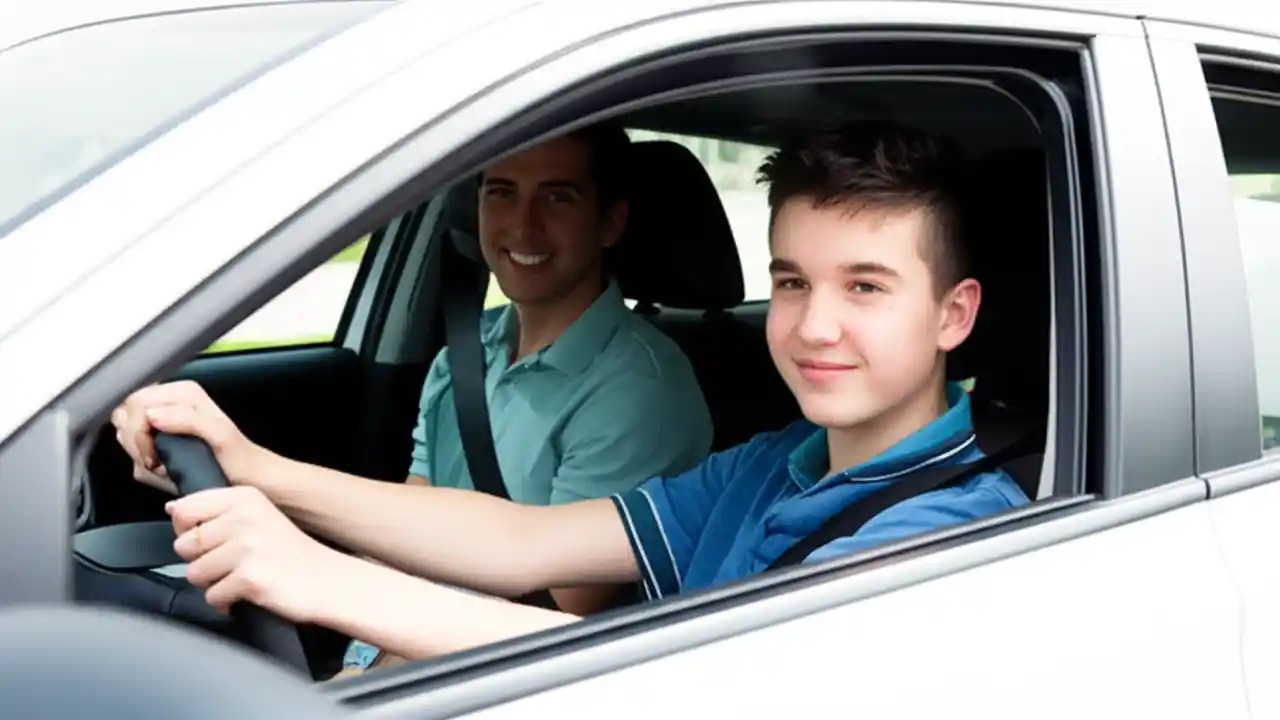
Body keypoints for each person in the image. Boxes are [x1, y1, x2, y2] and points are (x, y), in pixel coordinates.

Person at [112, 122, 1031, 666]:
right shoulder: (771, 465)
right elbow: (523, 540)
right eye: (791, 282)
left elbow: (670, 691)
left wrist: (318, 579)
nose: (814, 326)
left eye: (865, 287)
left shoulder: (952, 532)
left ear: (953, 315)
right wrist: (256, 468)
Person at [113, 123, 714, 672]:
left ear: (610, 223)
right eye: (501, 193)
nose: (522, 225)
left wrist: (371, 679)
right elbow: (405, 530)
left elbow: (555, 613)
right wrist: (358, 663)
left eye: (558, 197)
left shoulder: (644, 391)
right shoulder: (464, 356)